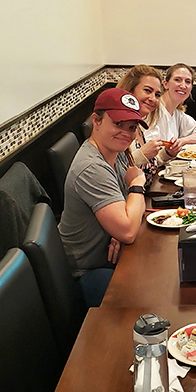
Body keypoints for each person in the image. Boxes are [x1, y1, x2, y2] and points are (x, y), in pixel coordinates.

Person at [59, 88, 147, 307]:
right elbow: (128, 230)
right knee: (152, 294)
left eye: (132, 127)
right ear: (96, 120)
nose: (126, 133)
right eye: (118, 124)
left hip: (110, 257)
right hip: (86, 273)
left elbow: (128, 217)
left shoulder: (116, 152)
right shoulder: (92, 167)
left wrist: (116, 227)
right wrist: (137, 184)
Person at [116, 64, 172, 185]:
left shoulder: (138, 125)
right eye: (147, 91)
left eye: (157, 95)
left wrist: (167, 153)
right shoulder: (118, 127)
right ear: (130, 90)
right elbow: (116, 173)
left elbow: (148, 166)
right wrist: (143, 154)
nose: (153, 98)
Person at [144, 63, 196, 151]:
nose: (183, 86)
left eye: (188, 82)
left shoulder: (177, 113)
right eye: (177, 80)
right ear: (165, 84)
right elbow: (152, 149)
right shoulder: (153, 109)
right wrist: (185, 140)